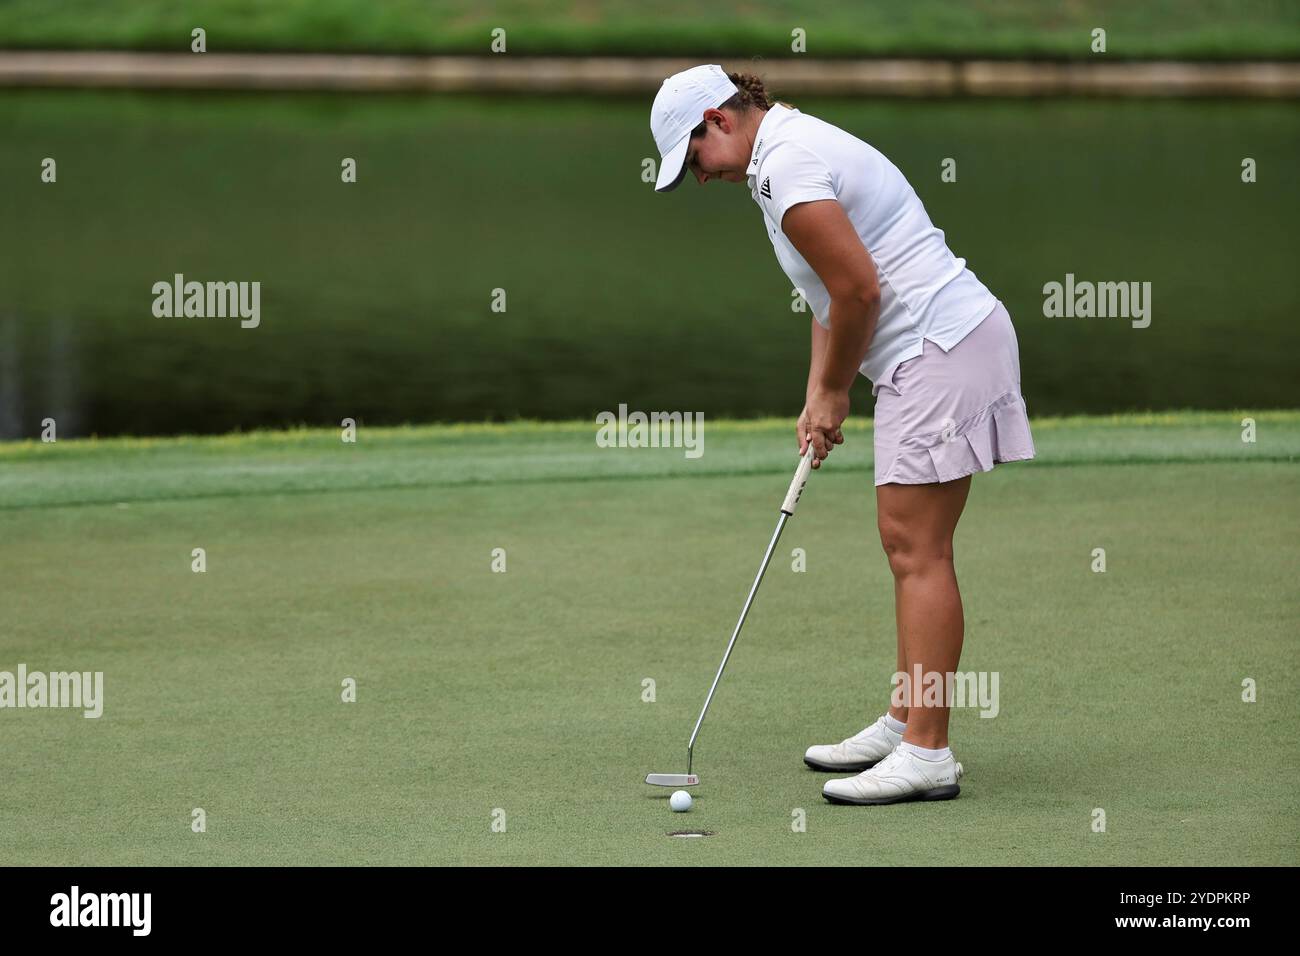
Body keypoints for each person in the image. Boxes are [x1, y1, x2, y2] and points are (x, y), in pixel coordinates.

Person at [650, 64, 1036, 805]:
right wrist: (816, 396)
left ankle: (928, 751)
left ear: (718, 121)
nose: (696, 177)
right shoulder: (778, 158)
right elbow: (830, 296)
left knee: (915, 546)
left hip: (940, 348)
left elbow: (862, 288)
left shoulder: (787, 167)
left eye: (692, 158)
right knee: (908, 545)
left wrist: (834, 391)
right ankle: (905, 721)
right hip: (934, 349)